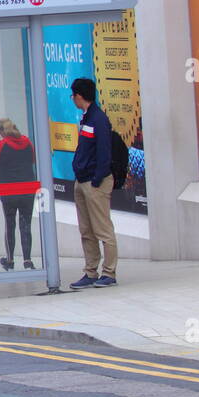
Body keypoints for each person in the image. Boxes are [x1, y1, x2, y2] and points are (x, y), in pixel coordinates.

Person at [69, 77, 117, 288]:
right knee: (86, 230)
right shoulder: (86, 118)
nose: (72, 99)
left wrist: (97, 179)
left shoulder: (98, 119)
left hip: (95, 182)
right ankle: (90, 272)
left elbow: (104, 152)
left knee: (103, 230)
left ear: (79, 96)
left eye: (73, 95)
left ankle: (109, 272)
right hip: (82, 181)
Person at [0, 118, 36, 270]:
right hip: (28, 187)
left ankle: (10, 260)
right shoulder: (27, 142)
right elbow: (33, 160)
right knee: (26, 224)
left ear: (2, 131)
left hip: (9, 188)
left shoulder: (1, 145)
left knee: (10, 224)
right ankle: (27, 260)